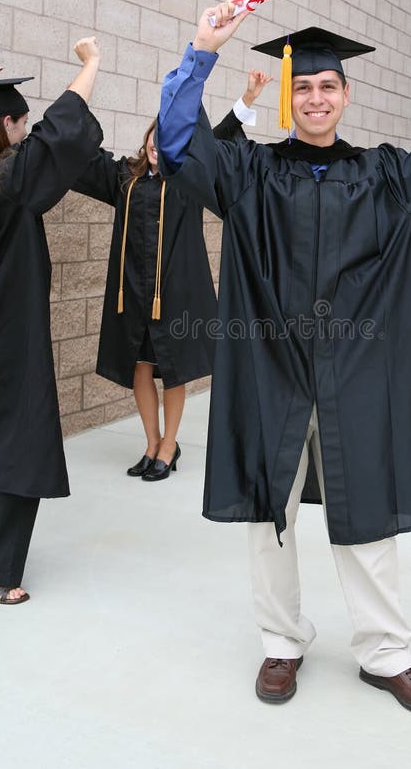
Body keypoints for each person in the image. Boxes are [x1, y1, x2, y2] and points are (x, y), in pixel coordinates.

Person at [156, 2, 411, 715]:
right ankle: (282, 643)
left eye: (328, 87)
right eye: (304, 88)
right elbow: (179, 141)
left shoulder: (386, 175)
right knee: (267, 509)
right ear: (290, 97)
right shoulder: (248, 173)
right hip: (268, 364)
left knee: (367, 506)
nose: (316, 98)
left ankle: (387, 654)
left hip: (357, 367)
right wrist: (201, 50)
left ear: (346, 96)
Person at [71, 70, 272, 481]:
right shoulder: (123, 178)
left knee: (173, 371)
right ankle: (151, 443)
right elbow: (82, 159)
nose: (158, 145)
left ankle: (169, 445)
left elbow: (216, 140)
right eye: (155, 136)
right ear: (147, 138)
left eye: (169, 140)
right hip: (134, 293)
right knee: (140, 369)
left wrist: (247, 99)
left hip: (173, 294)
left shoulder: (186, 183)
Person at [0, 40, 103, 605]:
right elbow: (62, 131)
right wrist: (89, 65)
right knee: (16, 442)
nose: (25, 133)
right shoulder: (8, 184)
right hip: (8, 334)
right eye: (19, 124)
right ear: (7, 123)